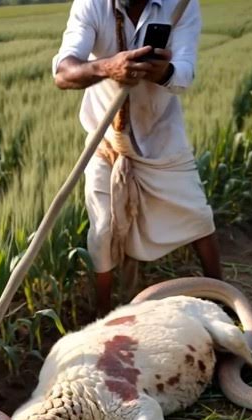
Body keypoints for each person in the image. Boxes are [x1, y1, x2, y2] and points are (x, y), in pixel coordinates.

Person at [52, 0, 221, 317]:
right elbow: (63, 73)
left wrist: (163, 72)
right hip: (106, 140)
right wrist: (106, 66)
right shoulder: (91, 4)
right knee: (102, 231)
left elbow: (184, 72)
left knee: (198, 218)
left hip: (161, 135)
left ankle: (226, 299)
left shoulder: (181, 6)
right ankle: (102, 318)